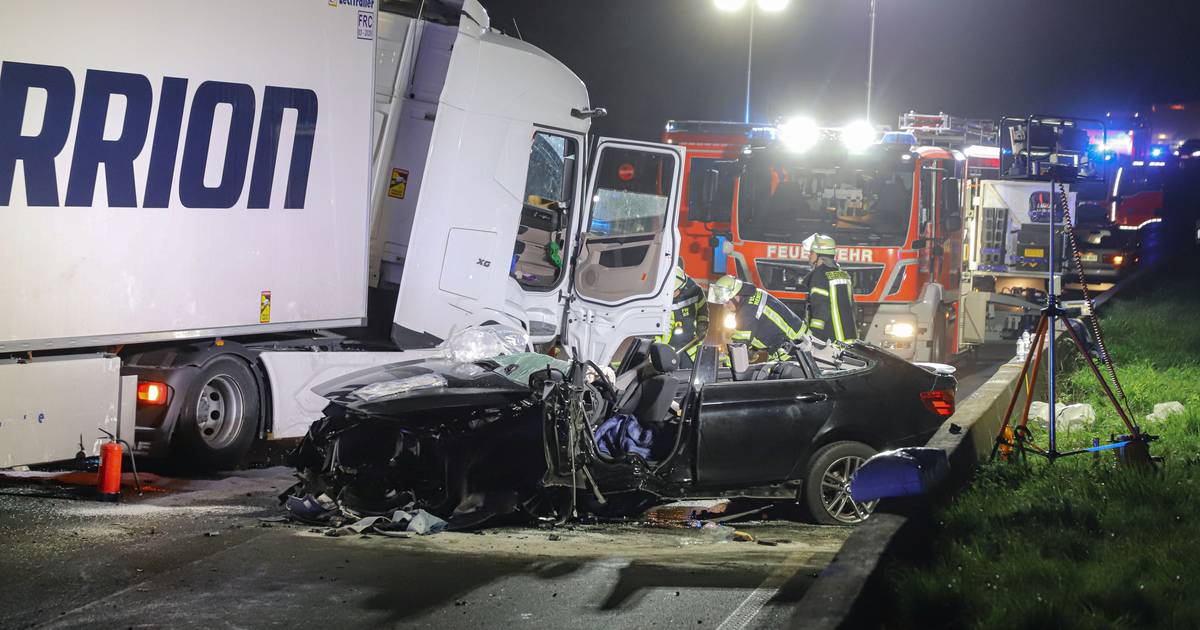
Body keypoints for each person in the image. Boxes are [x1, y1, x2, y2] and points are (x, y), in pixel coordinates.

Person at [706, 275, 808, 362]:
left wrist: (726, 366)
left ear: (735, 296)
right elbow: (763, 326)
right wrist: (753, 349)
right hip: (794, 344)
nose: (725, 306)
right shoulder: (752, 297)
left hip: (795, 350)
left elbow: (739, 347)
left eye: (727, 301)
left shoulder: (746, 311)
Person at [800, 234, 858, 343]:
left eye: (811, 252)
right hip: (849, 338)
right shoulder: (843, 274)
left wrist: (813, 337)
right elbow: (853, 307)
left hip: (830, 341)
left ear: (820, 256)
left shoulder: (819, 275)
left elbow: (820, 310)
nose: (809, 256)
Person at [657, 263, 708, 368]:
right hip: (667, 347)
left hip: (690, 346)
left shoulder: (695, 291)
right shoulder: (659, 298)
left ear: (682, 286)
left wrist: (702, 324)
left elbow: (703, 310)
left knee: (689, 375)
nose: (672, 294)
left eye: (674, 291)